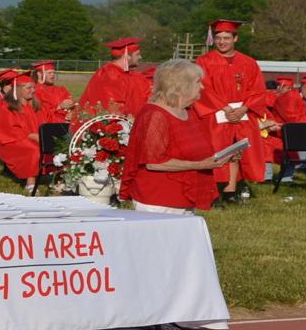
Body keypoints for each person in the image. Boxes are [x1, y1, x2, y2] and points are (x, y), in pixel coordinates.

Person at [126, 58, 230, 214]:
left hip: (182, 198)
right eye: (197, 82)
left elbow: (195, 149)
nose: (202, 87)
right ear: (182, 85)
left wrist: (225, 156)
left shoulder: (187, 111)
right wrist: (201, 165)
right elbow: (154, 163)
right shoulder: (155, 115)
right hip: (159, 201)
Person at [193, 19, 273, 205]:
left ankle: (230, 193)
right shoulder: (204, 62)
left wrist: (244, 108)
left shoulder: (249, 62)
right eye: (219, 38)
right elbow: (203, 88)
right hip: (215, 115)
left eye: (227, 38)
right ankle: (212, 194)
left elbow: (258, 89)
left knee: (237, 152)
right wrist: (226, 108)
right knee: (216, 152)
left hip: (242, 115)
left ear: (235, 38)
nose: (222, 42)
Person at [0, 73, 43, 194]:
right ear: (18, 89)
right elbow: (6, 129)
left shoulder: (32, 105)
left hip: (31, 138)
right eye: (28, 88)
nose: (33, 90)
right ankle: (30, 184)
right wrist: (31, 136)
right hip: (9, 141)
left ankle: (57, 179)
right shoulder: (5, 106)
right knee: (34, 149)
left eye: (33, 87)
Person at [81, 37, 144, 116]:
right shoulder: (109, 74)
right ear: (127, 56)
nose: (140, 57)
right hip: (111, 124)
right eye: (137, 54)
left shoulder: (125, 73)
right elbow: (113, 105)